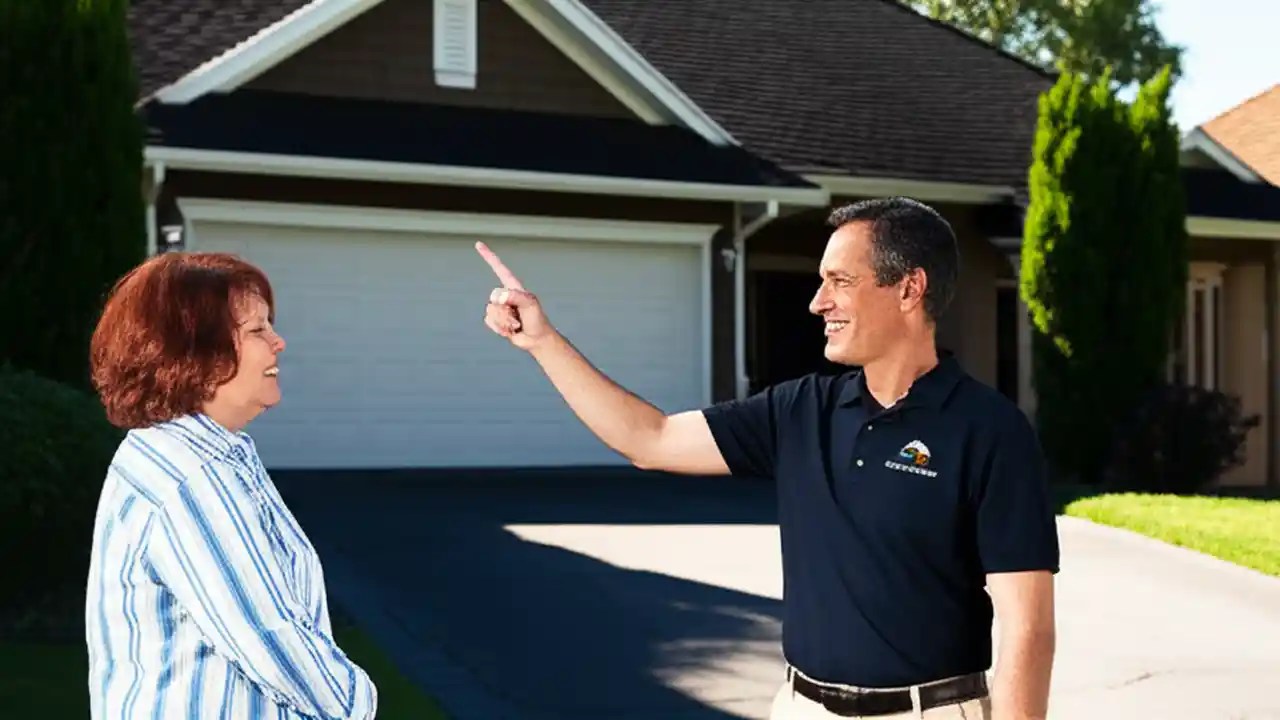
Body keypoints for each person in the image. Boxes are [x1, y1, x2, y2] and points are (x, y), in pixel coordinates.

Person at [478, 196, 1059, 719]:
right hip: (802, 708)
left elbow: (1027, 628)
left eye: (840, 281)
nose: (817, 302)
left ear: (909, 288)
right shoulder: (801, 409)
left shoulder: (990, 431)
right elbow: (648, 439)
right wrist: (543, 343)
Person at [85, 252, 377, 719]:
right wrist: (358, 703)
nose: (278, 343)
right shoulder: (190, 475)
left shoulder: (207, 455)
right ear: (194, 353)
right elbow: (273, 640)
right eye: (257, 330)